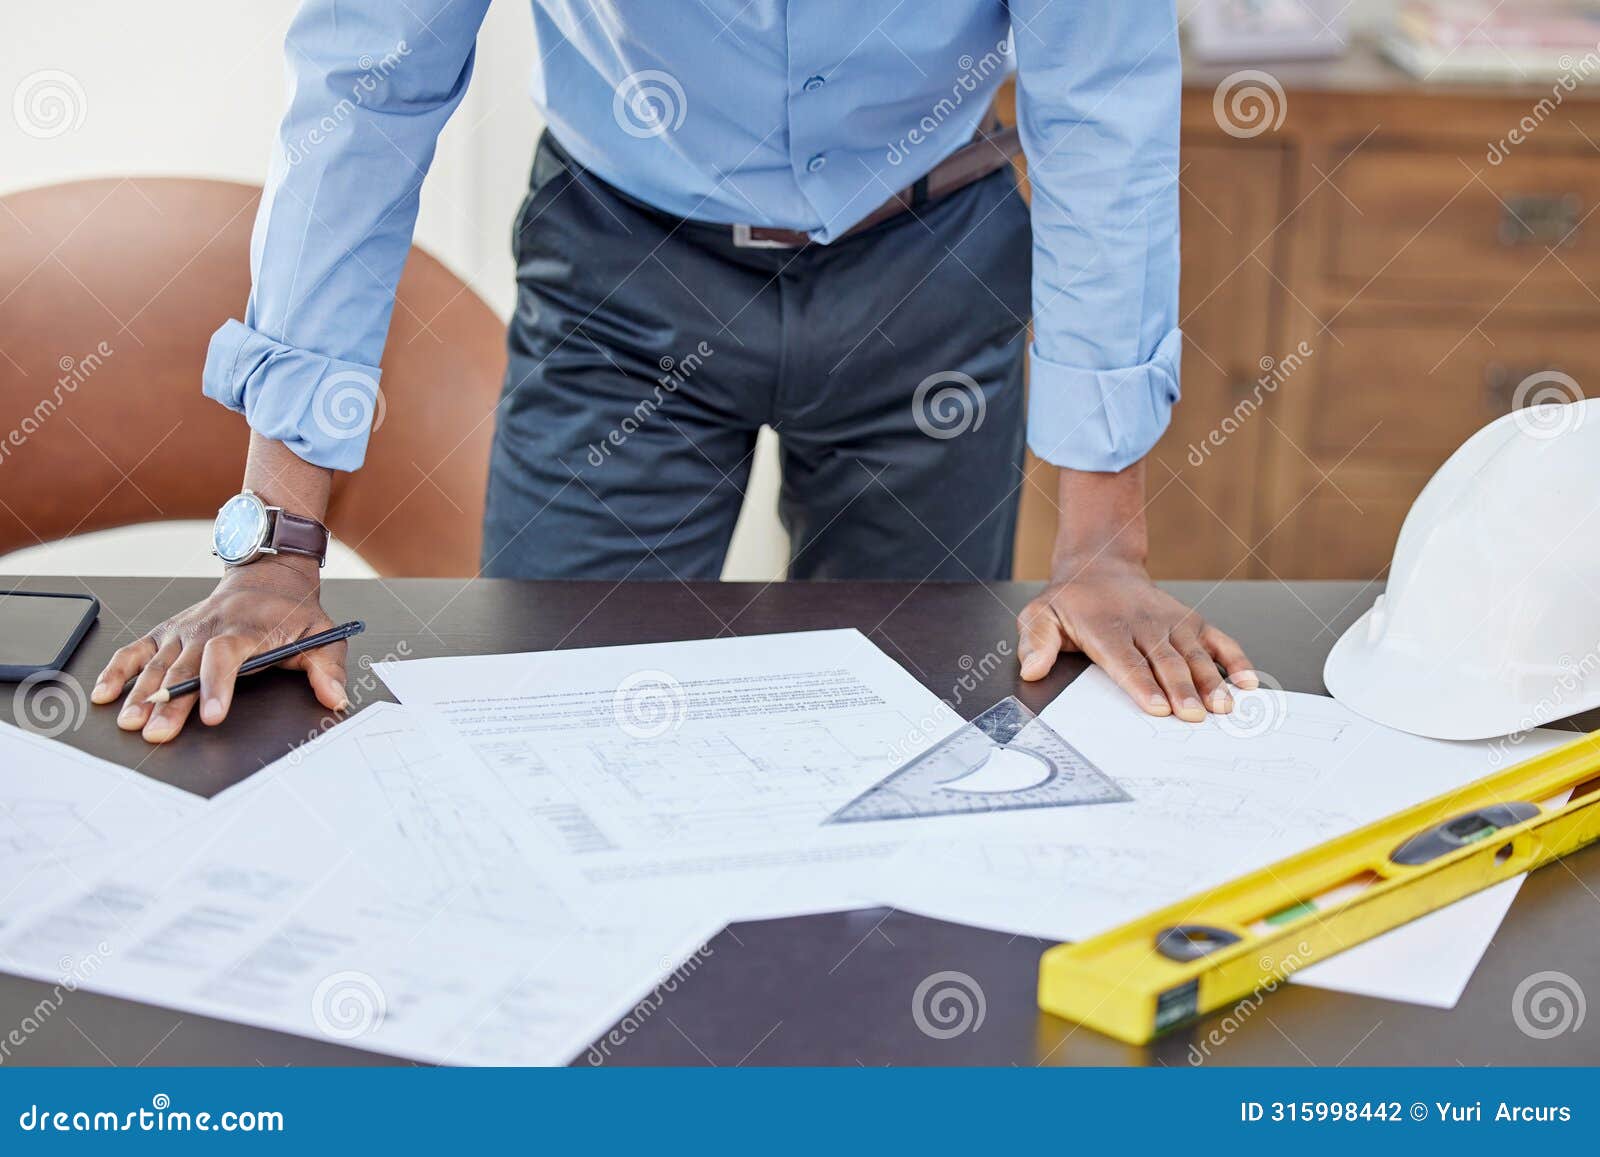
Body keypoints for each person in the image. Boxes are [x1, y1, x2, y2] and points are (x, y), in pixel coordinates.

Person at [92, 1, 1255, 743]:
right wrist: (276, 558)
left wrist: (1102, 549)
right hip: (623, 266)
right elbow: (367, 98)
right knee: (551, 729)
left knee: (914, 739)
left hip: (929, 267)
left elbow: (1100, 113)